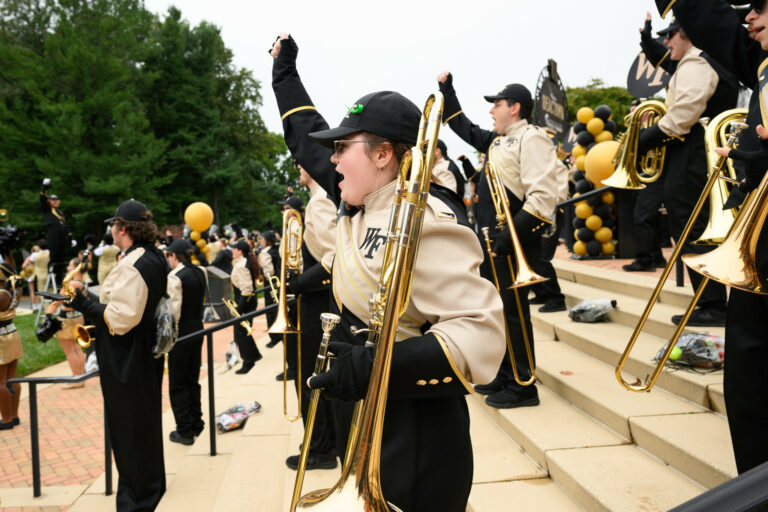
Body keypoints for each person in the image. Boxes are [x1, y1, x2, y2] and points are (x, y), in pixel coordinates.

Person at [271, 33, 505, 511]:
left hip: (418, 436)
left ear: (383, 155)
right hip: (372, 414)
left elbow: (479, 334)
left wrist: (375, 366)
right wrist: (284, 75)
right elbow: (306, 136)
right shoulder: (357, 202)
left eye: (343, 148)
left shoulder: (426, 218)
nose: (331, 159)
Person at [656, 0, 768, 478]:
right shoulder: (763, 63)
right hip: (760, 244)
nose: (749, 16)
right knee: (748, 386)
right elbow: (717, 23)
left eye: (760, 6)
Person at [437, 72, 560, 409]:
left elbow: (542, 196)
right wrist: (447, 91)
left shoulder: (532, 138)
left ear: (515, 108)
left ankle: (524, 385)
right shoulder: (496, 141)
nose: (492, 111)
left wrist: (512, 234)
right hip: (495, 241)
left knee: (516, 314)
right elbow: (461, 126)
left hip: (513, 238)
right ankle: (506, 375)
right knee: (500, 312)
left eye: (497, 105)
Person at [635, 16, 739, 326]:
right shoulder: (696, 62)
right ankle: (709, 301)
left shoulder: (696, 64)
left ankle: (712, 305)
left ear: (688, 35)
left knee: (691, 227)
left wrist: (646, 137)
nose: (667, 43)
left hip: (692, 151)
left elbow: (683, 114)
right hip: (693, 151)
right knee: (689, 228)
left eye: (671, 36)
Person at [68, 199, 168, 511]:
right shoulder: (151, 256)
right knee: (143, 425)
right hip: (140, 352)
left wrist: (83, 301)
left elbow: (120, 319)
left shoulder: (137, 264)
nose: (111, 229)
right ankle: (148, 488)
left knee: (129, 428)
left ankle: (137, 498)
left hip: (127, 357)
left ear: (123, 228)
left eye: (113, 224)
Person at [282, 171, 339, 471]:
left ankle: (321, 448)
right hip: (316, 301)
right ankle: (321, 443)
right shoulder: (319, 200)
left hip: (316, 303)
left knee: (309, 377)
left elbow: (333, 258)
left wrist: (300, 282)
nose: (297, 168)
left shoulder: (319, 202)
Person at [622, 91, 670, 272]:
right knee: (651, 219)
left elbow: (641, 145)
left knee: (642, 218)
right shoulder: (637, 130)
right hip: (642, 176)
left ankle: (645, 260)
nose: (633, 113)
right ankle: (657, 257)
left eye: (637, 110)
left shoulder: (654, 128)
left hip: (654, 177)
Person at [165, 239, 207, 445]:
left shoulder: (175, 276)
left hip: (181, 332)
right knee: (192, 378)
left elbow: (174, 312)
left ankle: (184, 430)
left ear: (173, 255)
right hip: (198, 327)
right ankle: (196, 422)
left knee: (177, 382)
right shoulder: (201, 271)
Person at [45, 257, 86, 388]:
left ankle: (76, 379)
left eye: (70, 266)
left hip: (67, 319)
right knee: (77, 348)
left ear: (76, 268)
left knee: (70, 350)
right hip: (79, 316)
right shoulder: (82, 282)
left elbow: (56, 303)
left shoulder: (70, 284)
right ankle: (81, 376)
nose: (68, 268)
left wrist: (46, 318)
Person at [230, 239, 263, 374]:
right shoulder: (242, 262)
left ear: (240, 251)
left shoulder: (242, 265)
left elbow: (247, 288)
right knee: (243, 330)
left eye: (235, 249)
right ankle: (254, 354)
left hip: (246, 300)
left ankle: (248, 361)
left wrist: (240, 308)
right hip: (246, 299)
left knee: (240, 332)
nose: (232, 251)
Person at [0, 262, 22, 431]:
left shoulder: (1, 295)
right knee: (12, 377)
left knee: (1, 382)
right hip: (11, 333)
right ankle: (14, 416)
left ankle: (6, 419)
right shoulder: (13, 290)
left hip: (1, 338)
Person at [40, 178, 71, 285]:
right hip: (53, 238)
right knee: (53, 259)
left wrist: (71, 238)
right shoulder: (47, 210)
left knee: (61, 260)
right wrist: (45, 186)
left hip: (62, 239)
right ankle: (50, 281)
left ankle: (58, 281)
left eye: (57, 200)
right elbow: (42, 199)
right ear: (49, 202)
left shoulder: (60, 213)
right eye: (53, 200)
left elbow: (65, 227)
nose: (55, 201)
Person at [258, 230, 283, 350]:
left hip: (271, 283)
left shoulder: (265, 252)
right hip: (279, 280)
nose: (260, 240)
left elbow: (269, 271)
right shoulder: (277, 248)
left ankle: (275, 337)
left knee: (270, 310)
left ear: (267, 240)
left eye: (262, 238)